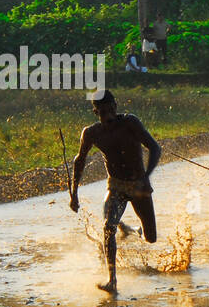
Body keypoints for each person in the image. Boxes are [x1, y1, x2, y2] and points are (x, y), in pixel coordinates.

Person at [69, 90, 161, 295]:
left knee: (151, 238)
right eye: (102, 112)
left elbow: (155, 147)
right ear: (95, 112)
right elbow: (79, 159)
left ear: (116, 107)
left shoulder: (130, 123)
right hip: (116, 186)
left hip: (138, 185)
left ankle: (132, 231)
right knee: (108, 227)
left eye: (110, 110)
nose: (107, 116)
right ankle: (112, 279)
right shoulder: (92, 133)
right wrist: (73, 192)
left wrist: (147, 175)